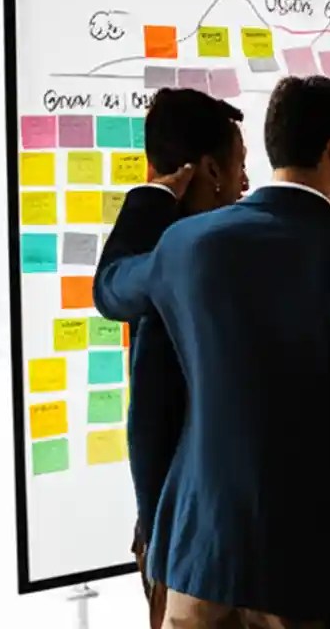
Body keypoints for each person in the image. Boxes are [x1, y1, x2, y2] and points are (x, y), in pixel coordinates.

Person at [93, 76, 330, 628]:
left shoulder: (186, 246)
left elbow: (111, 286)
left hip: (199, 567)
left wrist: (160, 189)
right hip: (321, 580)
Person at [119, 88, 249, 629]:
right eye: (241, 166)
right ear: (211, 169)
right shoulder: (187, 268)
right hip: (195, 546)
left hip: (186, 538)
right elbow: (149, 423)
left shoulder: (158, 257)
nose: (246, 184)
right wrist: (160, 539)